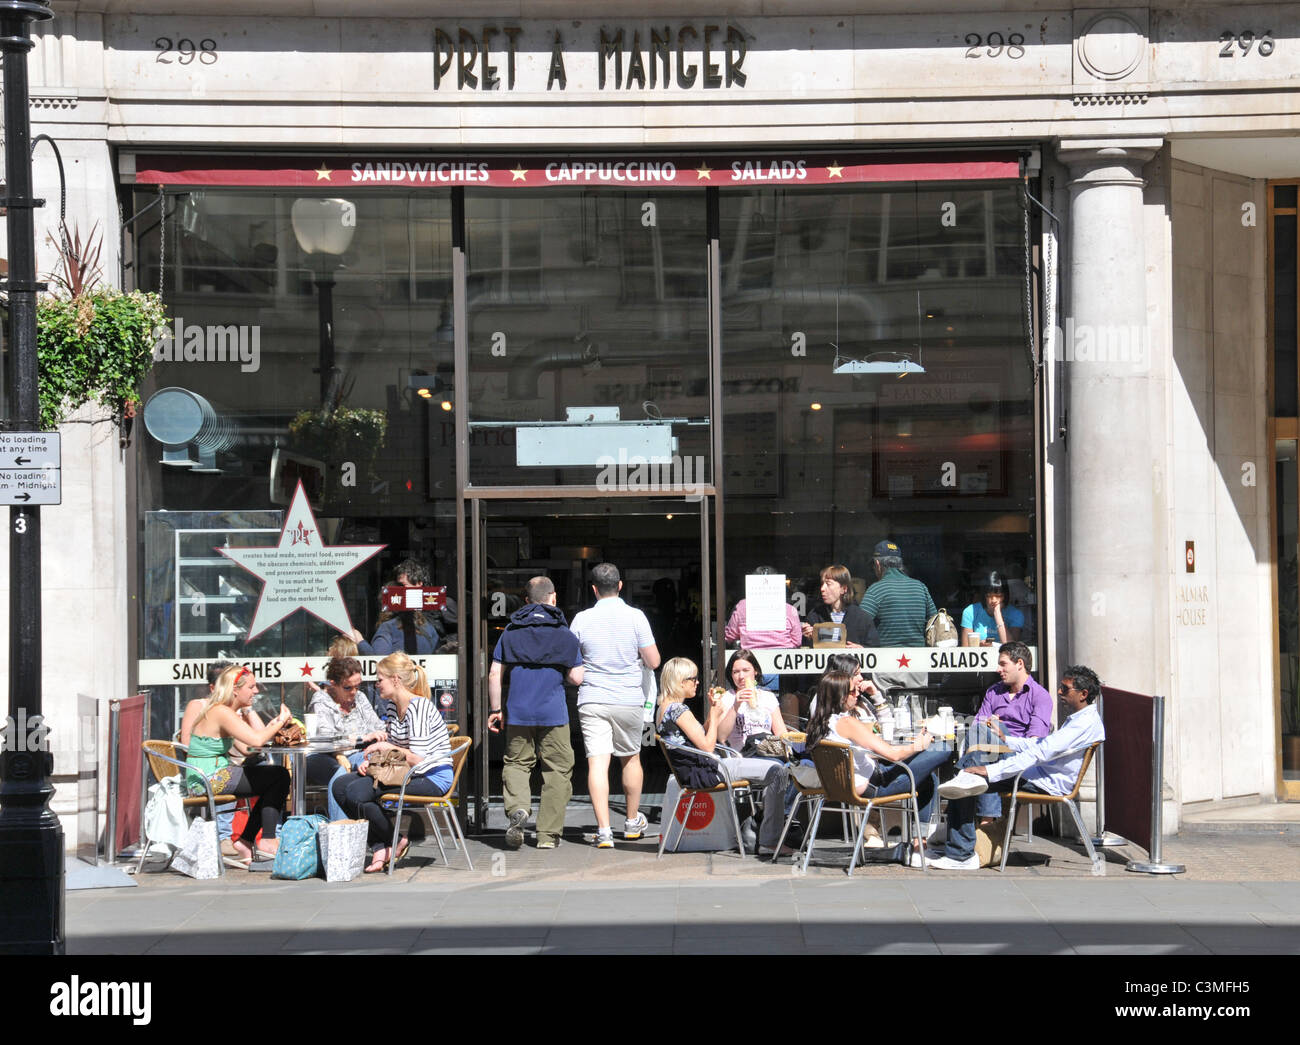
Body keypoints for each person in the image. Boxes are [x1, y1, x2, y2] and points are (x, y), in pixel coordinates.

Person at [928, 664, 1106, 871]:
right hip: (1037, 773)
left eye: (1065, 689)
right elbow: (1040, 745)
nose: (1059, 691)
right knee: (979, 743)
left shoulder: (1083, 724)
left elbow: (1040, 752)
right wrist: (1007, 741)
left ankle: (960, 852)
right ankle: (957, 833)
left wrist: (990, 771)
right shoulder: (1080, 719)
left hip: (1043, 782)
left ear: (1083, 694)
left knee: (969, 780)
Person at [804, 670, 952, 867]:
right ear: (838, 696)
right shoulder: (847, 722)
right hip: (876, 786)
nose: (857, 695)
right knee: (943, 748)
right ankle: (922, 844)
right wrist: (919, 744)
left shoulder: (818, 724)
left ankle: (921, 844)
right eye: (852, 692)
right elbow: (893, 754)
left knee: (927, 779)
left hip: (841, 787)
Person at [655, 656, 793, 857]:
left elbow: (698, 735)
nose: (698, 682)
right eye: (694, 678)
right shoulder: (679, 710)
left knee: (777, 769)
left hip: (697, 769)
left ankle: (764, 830)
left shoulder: (664, 708)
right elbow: (709, 745)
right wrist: (716, 712)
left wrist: (714, 713)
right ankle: (769, 841)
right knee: (778, 772)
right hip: (707, 771)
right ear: (681, 681)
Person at [332, 651, 455, 872]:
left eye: (380, 679)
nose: (376, 684)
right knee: (340, 787)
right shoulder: (391, 707)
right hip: (404, 771)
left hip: (431, 775)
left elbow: (417, 758)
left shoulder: (419, 707)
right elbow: (395, 752)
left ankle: (390, 841)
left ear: (395, 680)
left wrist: (386, 747)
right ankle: (384, 842)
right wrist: (373, 764)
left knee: (357, 793)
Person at [487, 576, 584, 850]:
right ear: (553, 598)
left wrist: (496, 709)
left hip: (518, 711)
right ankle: (547, 836)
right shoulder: (564, 635)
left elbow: (495, 673)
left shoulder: (510, 632)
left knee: (517, 764)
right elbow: (577, 678)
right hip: (553, 712)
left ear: (526, 601)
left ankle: (519, 809)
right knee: (558, 770)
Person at [569, 562, 661, 848]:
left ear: (594, 589)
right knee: (630, 758)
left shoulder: (581, 620)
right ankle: (632, 822)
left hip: (593, 699)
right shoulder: (636, 617)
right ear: (620, 586)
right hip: (628, 698)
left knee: (597, 762)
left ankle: (604, 830)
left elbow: (573, 671)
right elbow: (654, 660)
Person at [184, 666, 293, 866]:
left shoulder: (225, 711)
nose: (256, 691)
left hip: (214, 774)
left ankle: (246, 841)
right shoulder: (221, 712)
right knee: (278, 776)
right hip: (207, 778)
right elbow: (257, 741)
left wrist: (275, 725)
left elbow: (247, 748)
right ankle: (265, 840)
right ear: (235, 690)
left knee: (276, 776)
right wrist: (280, 721)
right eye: (251, 687)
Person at [304, 656, 384, 821]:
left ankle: (377, 829)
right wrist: (362, 737)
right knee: (339, 773)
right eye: (348, 687)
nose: (354, 691)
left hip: (357, 753)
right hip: (321, 755)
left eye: (357, 685)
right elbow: (328, 739)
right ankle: (340, 830)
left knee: (379, 762)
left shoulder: (360, 698)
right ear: (333, 684)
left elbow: (377, 726)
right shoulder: (321, 701)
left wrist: (378, 737)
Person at [858, 540, 936, 696]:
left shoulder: (876, 590)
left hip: (886, 663)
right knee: (917, 711)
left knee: (888, 712)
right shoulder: (920, 587)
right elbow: (935, 621)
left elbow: (861, 624)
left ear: (878, 564)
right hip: (918, 663)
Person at [350, 558, 455, 656]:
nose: (398, 591)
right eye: (397, 587)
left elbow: (461, 634)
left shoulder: (440, 606)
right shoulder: (394, 620)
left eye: (403, 586)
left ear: (419, 583)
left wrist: (444, 649)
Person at [717, 649, 788, 751]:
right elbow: (721, 737)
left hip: (765, 753)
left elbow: (781, 733)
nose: (741, 676)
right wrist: (735, 706)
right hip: (739, 756)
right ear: (731, 675)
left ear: (755, 671)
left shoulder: (768, 697)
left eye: (746, 670)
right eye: (736, 672)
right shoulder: (726, 698)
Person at [724, 566, 802, 649]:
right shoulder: (789, 609)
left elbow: (729, 637)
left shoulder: (742, 606)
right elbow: (797, 641)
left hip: (750, 657)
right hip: (783, 657)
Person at [802, 565, 879, 647]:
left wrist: (862, 649)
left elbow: (875, 648)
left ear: (843, 588)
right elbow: (806, 650)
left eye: (828, 584)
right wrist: (809, 638)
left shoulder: (861, 618)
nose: (822, 588)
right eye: (822, 584)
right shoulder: (815, 615)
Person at [959, 570, 1024, 646]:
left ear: (1005, 595)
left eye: (998, 596)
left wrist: (998, 616)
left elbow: (1011, 649)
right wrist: (979, 645)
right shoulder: (970, 612)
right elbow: (966, 649)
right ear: (984, 595)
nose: (994, 600)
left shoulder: (1015, 614)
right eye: (989, 596)